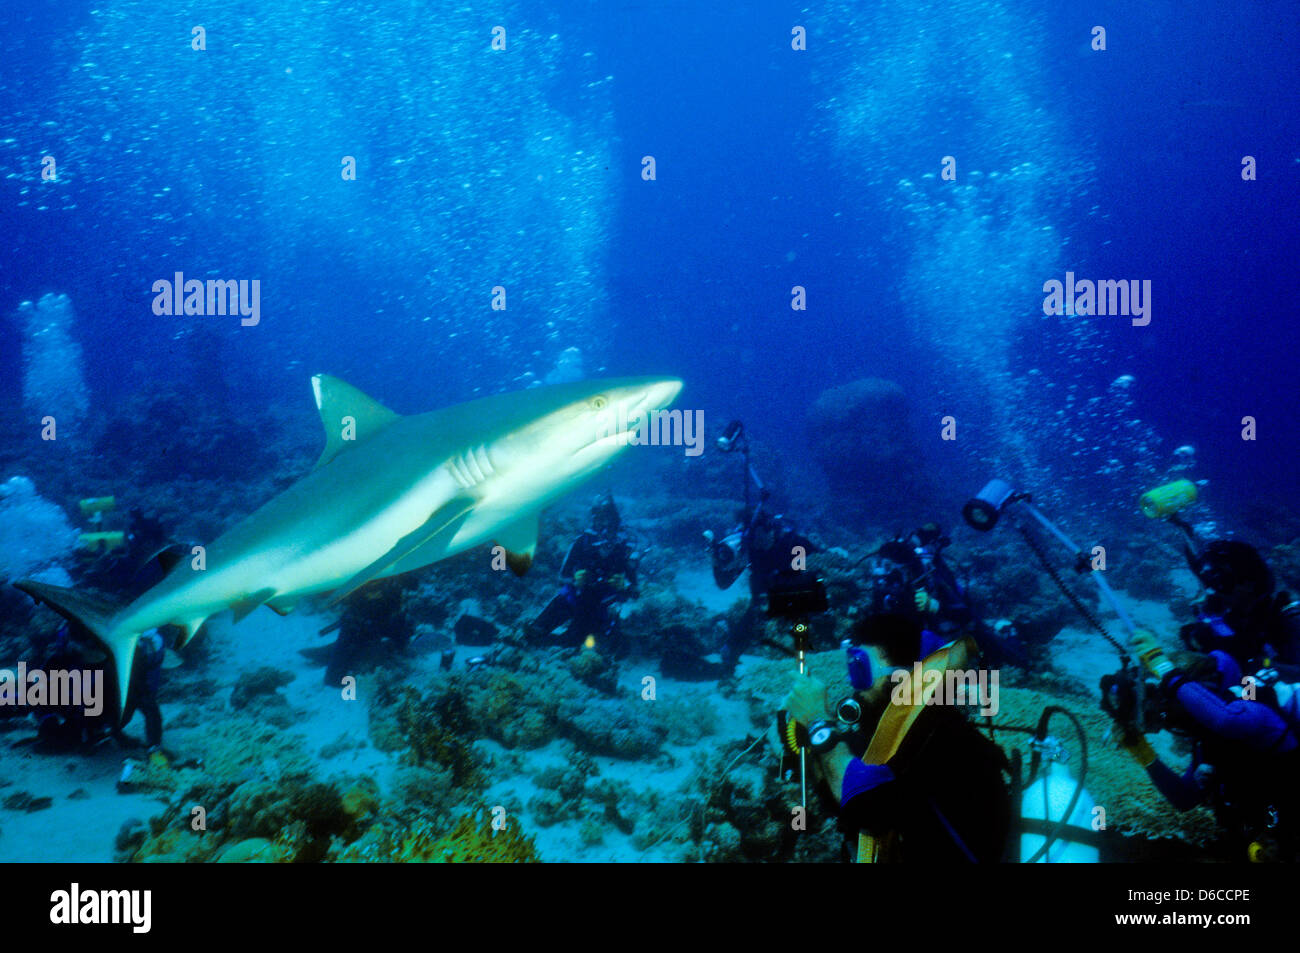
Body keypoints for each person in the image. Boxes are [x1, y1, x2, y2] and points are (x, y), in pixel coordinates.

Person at [782, 612, 1011, 862]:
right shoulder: (895, 733)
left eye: (861, 670)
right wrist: (804, 738)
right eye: (852, 667)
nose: (853, 683)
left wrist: (817, 720)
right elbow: (838, 797)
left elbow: (859, 805)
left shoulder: (938, 741)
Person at [1113, 631, 1300, 860]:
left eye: (1171, 705)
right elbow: (1184, 798)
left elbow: (1225, 720)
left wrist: (1164, 669)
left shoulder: (1253, 706)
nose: (1169, 717)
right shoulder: (1209, 741)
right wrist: (1142, 752)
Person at [528, 494, 639, 655]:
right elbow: (562, 576)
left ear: (617, 524)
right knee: (534, 632)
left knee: (573, 643)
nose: (606, 527)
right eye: (601, 521)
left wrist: (624, 586)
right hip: (573, 597)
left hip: (599, 607)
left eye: (611, 522)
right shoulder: (582, 543)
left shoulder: (623, 551)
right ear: (594, 521)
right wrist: (575, 580)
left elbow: (635, 592)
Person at [711, 507, 818, 675]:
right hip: (763, 604)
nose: (751, 539)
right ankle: (729, 661)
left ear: (767, 528)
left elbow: (804, 580)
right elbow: (724, 584)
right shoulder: (750, 548)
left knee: (800, 623)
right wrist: (717, 562)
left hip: (796, 604)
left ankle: (804, 664)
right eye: (746, 533)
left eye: (753, 533)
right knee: (753, 615)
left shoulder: (793, 544)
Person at [1179, 540, 1299, 670]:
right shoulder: (1232, 618)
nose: (1214, 591)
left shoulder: (1286, 623)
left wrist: (1261, 664)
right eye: (1211, 581)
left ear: (1250, 583)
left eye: (1223, 581)